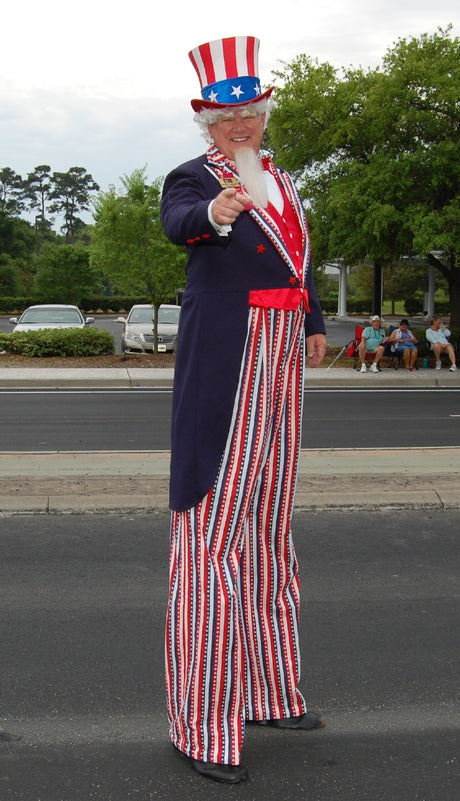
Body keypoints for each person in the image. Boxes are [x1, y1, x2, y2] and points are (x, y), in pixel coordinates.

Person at [161, 36, 327, 785]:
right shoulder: (194, 178)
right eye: (225, 117)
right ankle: (200, 723)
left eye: (250, 113)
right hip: (229, 358)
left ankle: (269, 691)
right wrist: (215, 211)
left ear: (263, 115)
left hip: (282, 354)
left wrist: (314, 320)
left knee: (267, 524)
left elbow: (298, 263)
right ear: (208, 122)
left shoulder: (284, 181)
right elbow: (180, 221)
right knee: (212, 529)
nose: (240, 125)